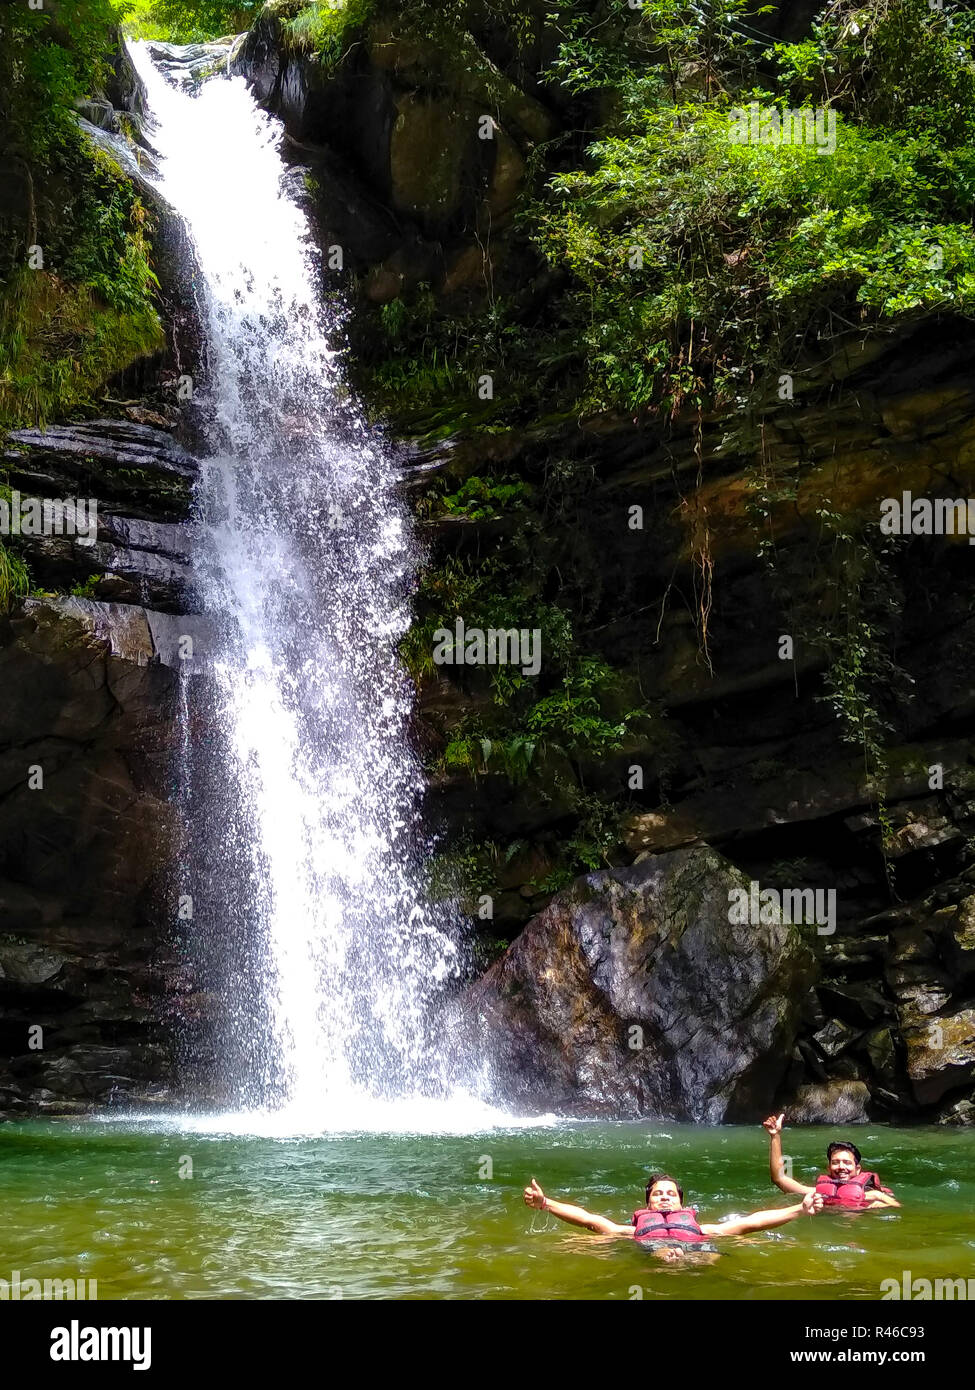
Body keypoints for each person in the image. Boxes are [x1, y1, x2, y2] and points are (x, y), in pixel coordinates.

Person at [523, 1171, 822, 1260]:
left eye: (670, 1193)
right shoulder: (631, 1231)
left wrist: (799, 1209)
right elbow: (590, 1219)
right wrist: (546, 1203)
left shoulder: (703, 1228)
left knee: (709, 1255)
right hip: (657, 1249)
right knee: (666, 1252)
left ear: (682, 1204)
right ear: (648, 1204)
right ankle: (673, 1261)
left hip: (700, 1247)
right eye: (657, 1193)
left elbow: (749, 1223)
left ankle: (694, 1262)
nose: (664, 1196)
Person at [763, 1113, 900, 1209]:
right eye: (835, 1162)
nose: (841, 1167)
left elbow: (897, 1206)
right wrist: (775, 1137)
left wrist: (878, 1206)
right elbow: (779, 1179)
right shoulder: (819, 1193)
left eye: (847, 1163)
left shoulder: (874, 1195)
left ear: (858, 1169)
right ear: (829, 1168)